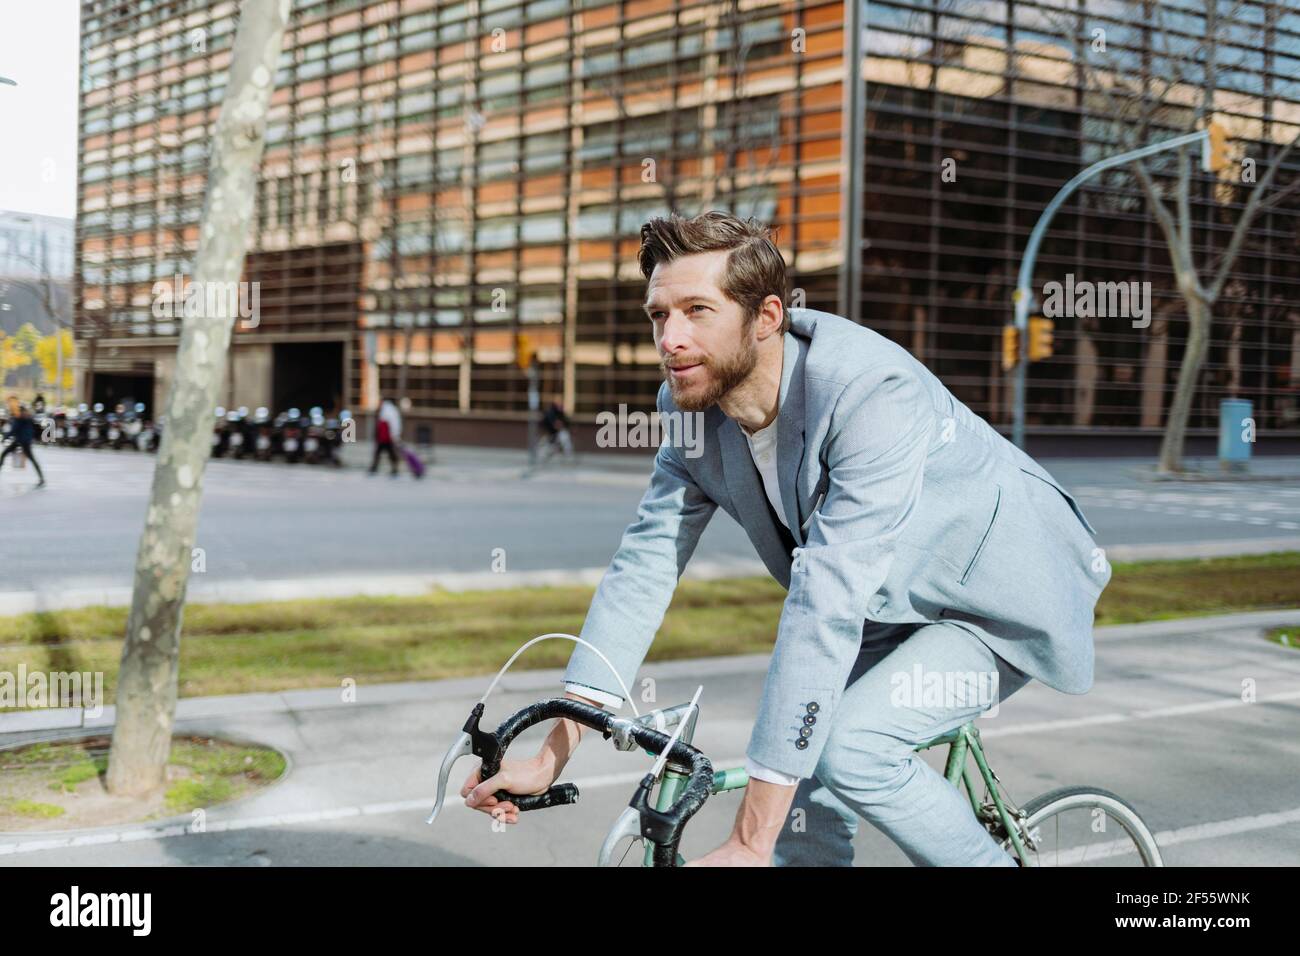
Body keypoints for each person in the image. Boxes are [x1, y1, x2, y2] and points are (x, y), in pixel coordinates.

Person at [458, 210, 1111, 867]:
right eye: (659, 315)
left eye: (697, 310)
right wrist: (552, 754)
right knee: (795, 794)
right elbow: (644, 566)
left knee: (846, 748)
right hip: (882, 599)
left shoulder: (867, 393)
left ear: (767, 316)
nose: (671, 338)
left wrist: (748, 840)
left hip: (993, 600)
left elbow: (823, 602)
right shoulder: (688, 408)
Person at [0, 402, 46, 487]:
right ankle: (42, 479)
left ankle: (42, 479)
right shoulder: (28, 418)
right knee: (32, 459)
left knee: (4, 454)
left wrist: (4, 438)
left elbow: (13, 430)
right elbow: (34, 429)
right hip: (24, 441)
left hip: (21, 441)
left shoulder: (19, 418)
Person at [369, 396, 401, 476]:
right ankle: (376, 468)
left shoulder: (388, 410)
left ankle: (375, 468)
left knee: (383, 452)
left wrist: (394, 435)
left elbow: (393, 425)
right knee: (385, 453)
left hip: (386, 437)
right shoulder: (388, 410)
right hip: (385, 437)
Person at [538, 395, 574, 463]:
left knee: (564, 438)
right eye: (559, 403)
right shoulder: (551, 412)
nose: (561, 404)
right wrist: (556, 424)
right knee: (549, 444)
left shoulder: (560, 412)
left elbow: (565, 421)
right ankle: (546, 455)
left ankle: (567, 455)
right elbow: (551, 422)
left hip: (557, 432)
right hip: (550, 432)